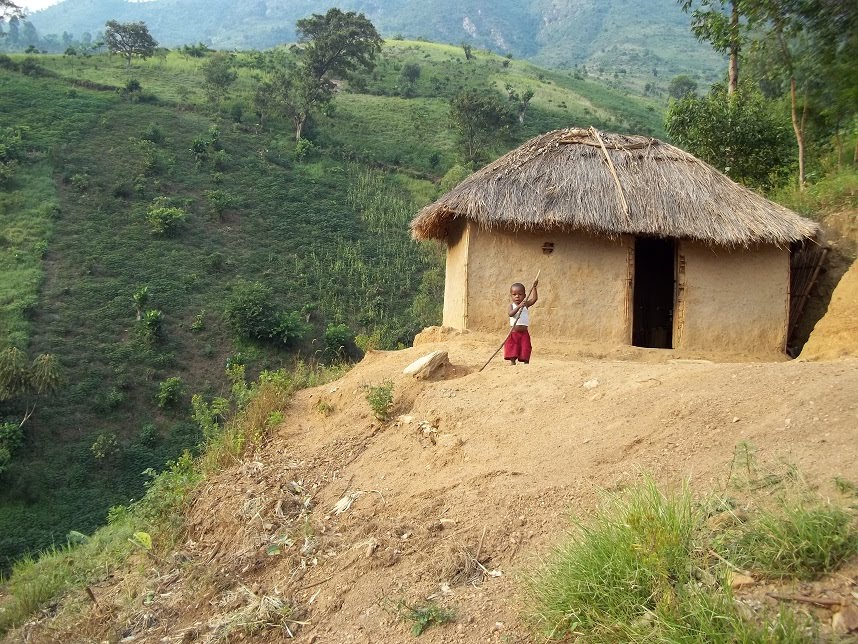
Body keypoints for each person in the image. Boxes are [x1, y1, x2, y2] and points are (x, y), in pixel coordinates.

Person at [504, 278, 538, 365]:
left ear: (524, 295)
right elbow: (510, 314)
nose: (517, 296)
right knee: (512, 347)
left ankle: (526, 363)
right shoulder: (511, 306)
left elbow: (534, 299)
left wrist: (534, 287)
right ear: (511, 296)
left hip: (524, 333)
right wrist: (519, 306)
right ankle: (512, 362)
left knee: (525, 347)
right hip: (514, 332)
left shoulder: (525, 304)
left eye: (520, 294)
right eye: (514, 294)